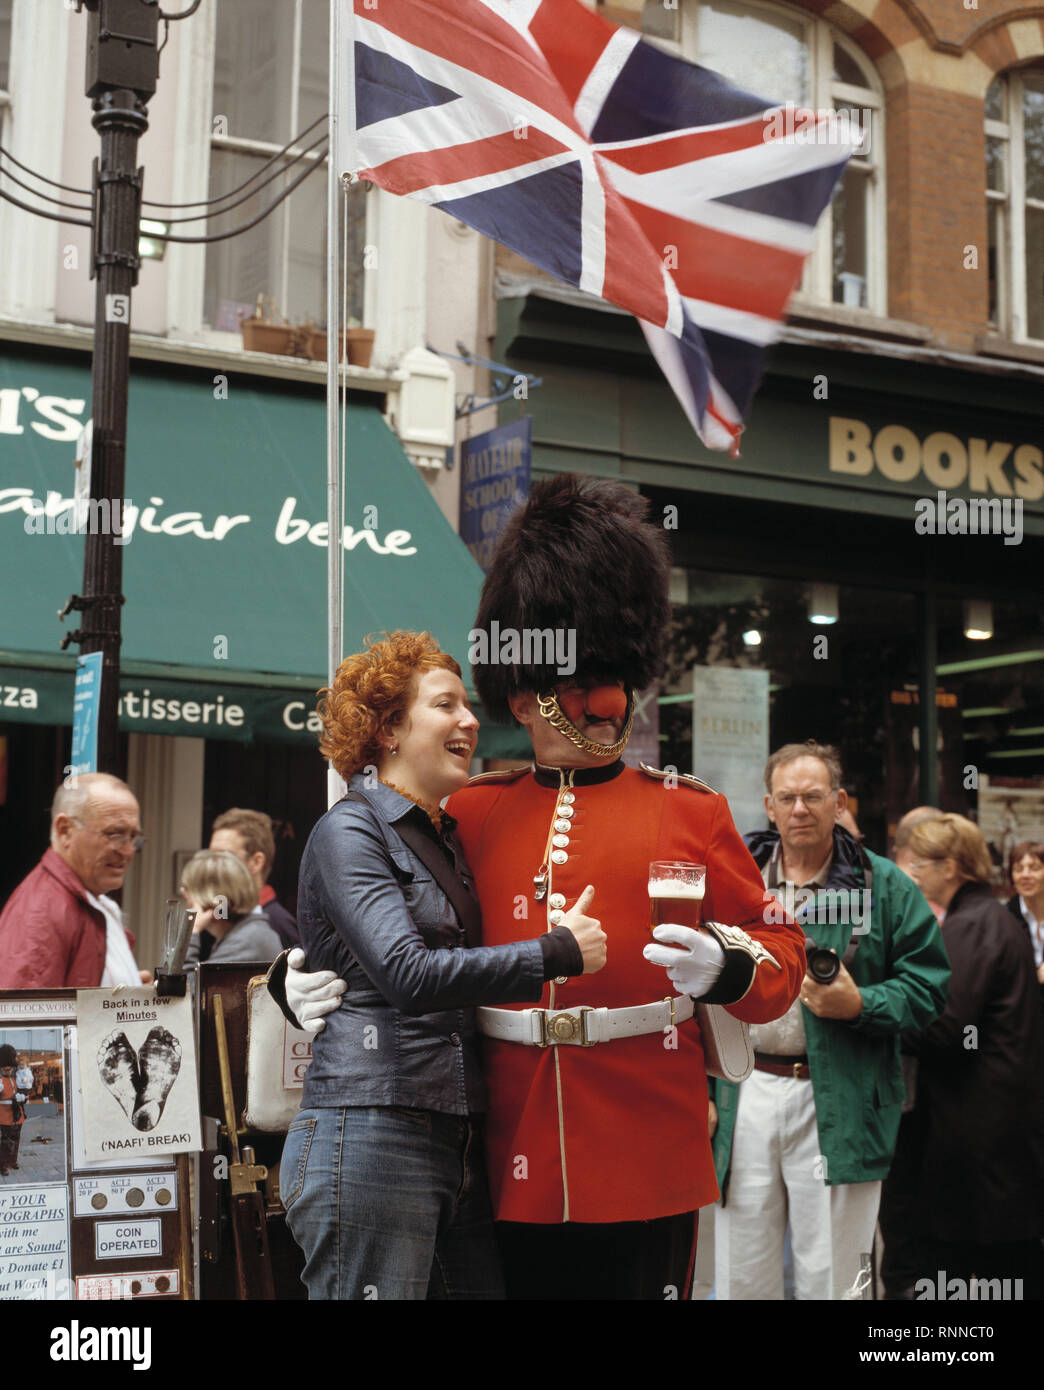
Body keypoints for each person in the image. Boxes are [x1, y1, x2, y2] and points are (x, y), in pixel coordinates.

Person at [283, 476, 806, 1300]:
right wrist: (297, 975)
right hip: (503, 1148)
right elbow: (393, 922)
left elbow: (784, 954)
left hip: (647, 1144)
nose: (610, 707)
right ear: (527, 700)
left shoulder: (692, 810)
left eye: (615, 687)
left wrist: (730, 966)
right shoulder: (473, 812)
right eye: (585, 691)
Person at [279, 630, 606, 1301]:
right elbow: (409, 975)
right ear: (389, 730)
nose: (469, 720)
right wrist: (554, 955)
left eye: (466, 706)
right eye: (445, 705)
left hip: (450, 1130)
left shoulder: (445, 835)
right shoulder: (351, 828)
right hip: (370, 1125)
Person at [712, 742, 950, 1300]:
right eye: (788, 798)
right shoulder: (735, 882)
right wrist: (700, 1089)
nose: (800, 809)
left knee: (837, 1276)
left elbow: (930, 989)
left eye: (814, 797)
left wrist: (862, 1004)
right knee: (742, 1270)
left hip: (839, 1095)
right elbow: (697, 992)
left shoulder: (883, 884)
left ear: (839, 802)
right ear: (769, 806)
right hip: (744, 1094)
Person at [900, 814, 1044, 1299]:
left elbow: (947, 1025)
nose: (914, 873)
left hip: (978, 1127)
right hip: (999, 1121)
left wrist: (872, 1015)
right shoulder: (995, 918)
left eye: (922, 863)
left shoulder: (972, 924)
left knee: (975, 1264)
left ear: (953, 866)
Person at [0, 773, 145, 989]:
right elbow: (22, 1018)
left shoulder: (95, 902)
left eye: (133, 837)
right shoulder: (43, 910)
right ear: (65, 830)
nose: (127, 851)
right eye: (114, 835)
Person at [210, 808, 300, 949]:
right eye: (211, 857)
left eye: (224, 856)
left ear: (256, 862)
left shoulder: (277, 923)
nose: (211, 866)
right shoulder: (223, 917)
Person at [181, 851, 282, 966]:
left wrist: (191, 931)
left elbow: (183, 983)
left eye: (188, 892)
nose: (187, 899)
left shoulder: (245, 941)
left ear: (208, 901)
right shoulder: (248, 932)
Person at [1006, 840, 1044, 999]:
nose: (1025, 875)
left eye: (1034, 868)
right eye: (1018, 869)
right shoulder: (1004, 918)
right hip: (1022, 1008)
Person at [0, 1045, 25, 1177]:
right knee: (5, 1142)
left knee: (16, 1140)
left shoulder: (14, 1079)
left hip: (17, 1115)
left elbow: (19, 1093)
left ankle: (12, 1161)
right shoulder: (0, 1081)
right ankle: (3, 1165)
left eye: (10, 1069)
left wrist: (22, 1098)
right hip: (4, 1116)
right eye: (5, 1069)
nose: (8, 1071)